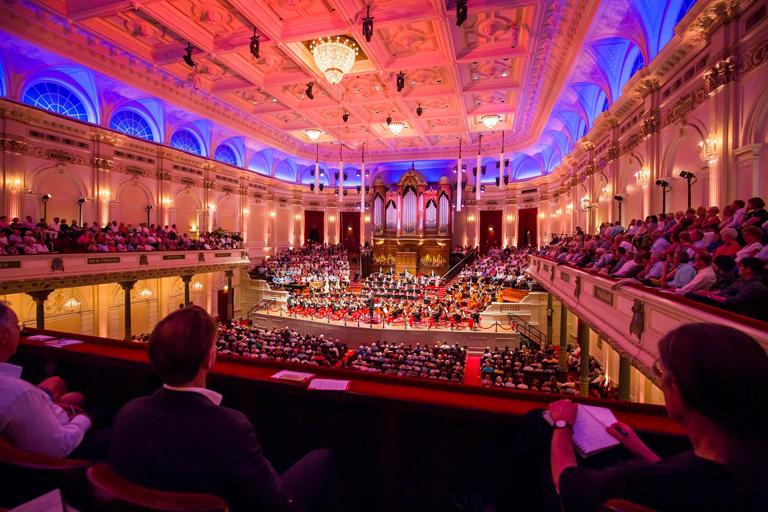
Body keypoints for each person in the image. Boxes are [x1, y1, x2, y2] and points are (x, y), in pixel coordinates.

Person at [108, 306, 341, 512]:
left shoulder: (129, 413)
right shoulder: (230, 426)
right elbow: (274, 502)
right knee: (323, 458)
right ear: (210, 358)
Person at [546, 323, 768, 511]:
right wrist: (639, 448)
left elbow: (566, 483)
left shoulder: (641, 480)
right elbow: (693, 478)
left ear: (679, 386)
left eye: (663, 371)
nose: (661, 380)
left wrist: (563, 424)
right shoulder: (751, 468)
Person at [0, 303, 92, 457]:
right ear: (3, 335)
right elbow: (60, 446)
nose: (20, 331)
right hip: (68, 450)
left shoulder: (19, 392)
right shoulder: (18, 393)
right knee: (103, 412)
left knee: (58, 383)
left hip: (46, 415)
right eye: (17, 326)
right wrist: (84, 419)